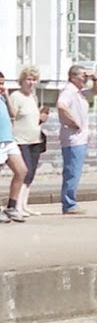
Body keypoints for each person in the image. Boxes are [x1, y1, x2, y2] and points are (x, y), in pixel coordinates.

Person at [55, 64, 97, 214]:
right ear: (73, 77)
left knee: (75, 170)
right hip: (73, 138)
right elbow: (61, 105)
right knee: (72, 170)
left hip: (80, 138)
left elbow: (96, 91)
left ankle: (70, 201)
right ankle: (69, 203)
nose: (84, 79)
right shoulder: (69, 91)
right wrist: (73, 121)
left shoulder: (79, 93)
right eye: (82, 76)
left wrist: (95, 78)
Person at [6, 65, 48, 219]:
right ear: (22, 80)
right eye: (28, 79)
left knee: (31, 174)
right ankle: (16, 204)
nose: (31, 82)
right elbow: (12, 115)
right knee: (25, 171)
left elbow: (32, 119)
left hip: (34, 139)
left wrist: (41, 119)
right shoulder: (16, 96)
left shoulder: (33, 97)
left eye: (34, 79)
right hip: (20, 140)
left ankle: (23, 204)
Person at [0, 72, 28, 223]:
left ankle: (11, 206)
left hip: (8, 140)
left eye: (2, 83)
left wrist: (6, 97)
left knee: (21, 170)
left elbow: (13, 114)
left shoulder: (2, 98)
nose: (1, 87)